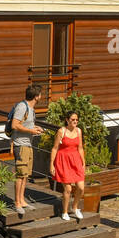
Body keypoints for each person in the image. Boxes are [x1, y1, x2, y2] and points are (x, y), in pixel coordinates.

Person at [9, 84, 43, 215]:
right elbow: (14, 124)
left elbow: (27, 124)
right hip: (20, 145)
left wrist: (36, 128)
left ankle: (22, 200)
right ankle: (17, 203)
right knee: (20, 174)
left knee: (26, 175)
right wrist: (31, 131)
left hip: (28, 144)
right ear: (36, 96)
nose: (41, 96)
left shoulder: (31, 109)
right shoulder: (22, 107)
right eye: (40, 94)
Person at [50, 111, 86, 221]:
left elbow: (80, 148)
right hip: (63, 161)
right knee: (68, 189)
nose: (75, 121)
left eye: (76, 120)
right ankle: (65, 212)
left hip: (75, 161)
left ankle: (75, 207)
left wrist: (83, 162)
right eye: (73, 119)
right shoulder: (61, 131)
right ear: (67, 120)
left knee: (81, 187)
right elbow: (55, 148)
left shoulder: (79, 131)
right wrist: (52, 164)